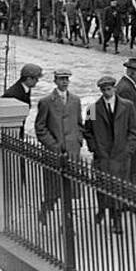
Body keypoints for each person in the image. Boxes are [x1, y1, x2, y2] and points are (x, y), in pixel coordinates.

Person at [84, 74, 136, 234]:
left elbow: (134, 130)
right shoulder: (92, 109)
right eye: (103, 90)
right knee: (102, 186)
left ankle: (116, 220)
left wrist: (128, 149)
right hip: (102, 156)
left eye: (109, 89)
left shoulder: (128, 106)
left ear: (114, 89)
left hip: (121, 156)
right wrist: (94, 148)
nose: (106, 92)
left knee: (118, 188)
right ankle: (102, 209)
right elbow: (87, 131)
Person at [34, 70, 84, 224]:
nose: (64, 82)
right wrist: (53, 145)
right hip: (54, 153)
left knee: (69, 191)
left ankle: (66, 224)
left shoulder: (75, 100)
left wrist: (78, 141)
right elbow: (40, 128)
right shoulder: (46, 101)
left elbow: (79, 124)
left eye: (66, 79)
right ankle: (45, 210)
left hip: (72, 152)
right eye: (61, 79)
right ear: (55, 81)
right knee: (53, 188)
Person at [114, 57, 136, 186]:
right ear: (132, 73)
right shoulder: (126, 88)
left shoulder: (126, 86)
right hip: (130, 138)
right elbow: (125, 116)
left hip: (131, 137)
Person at [2, 62, 43, 136]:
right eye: (36, 79)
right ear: (28, 79)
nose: (37, 81)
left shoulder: (25, 89)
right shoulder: (13, 94)